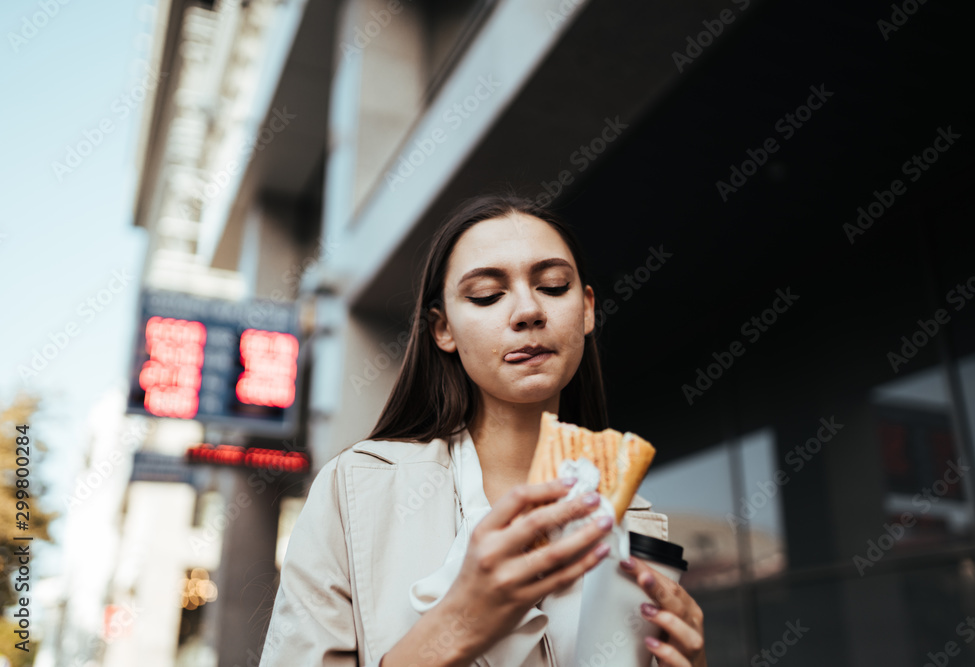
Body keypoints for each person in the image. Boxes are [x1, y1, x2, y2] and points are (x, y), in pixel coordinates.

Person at [257, 191, 707, 667]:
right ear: (442, 329)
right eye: (487, 295)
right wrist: (458, 624)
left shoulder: (631, 519)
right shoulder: (355, 491)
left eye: (554, 286)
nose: (528, 311)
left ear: (588, 308)